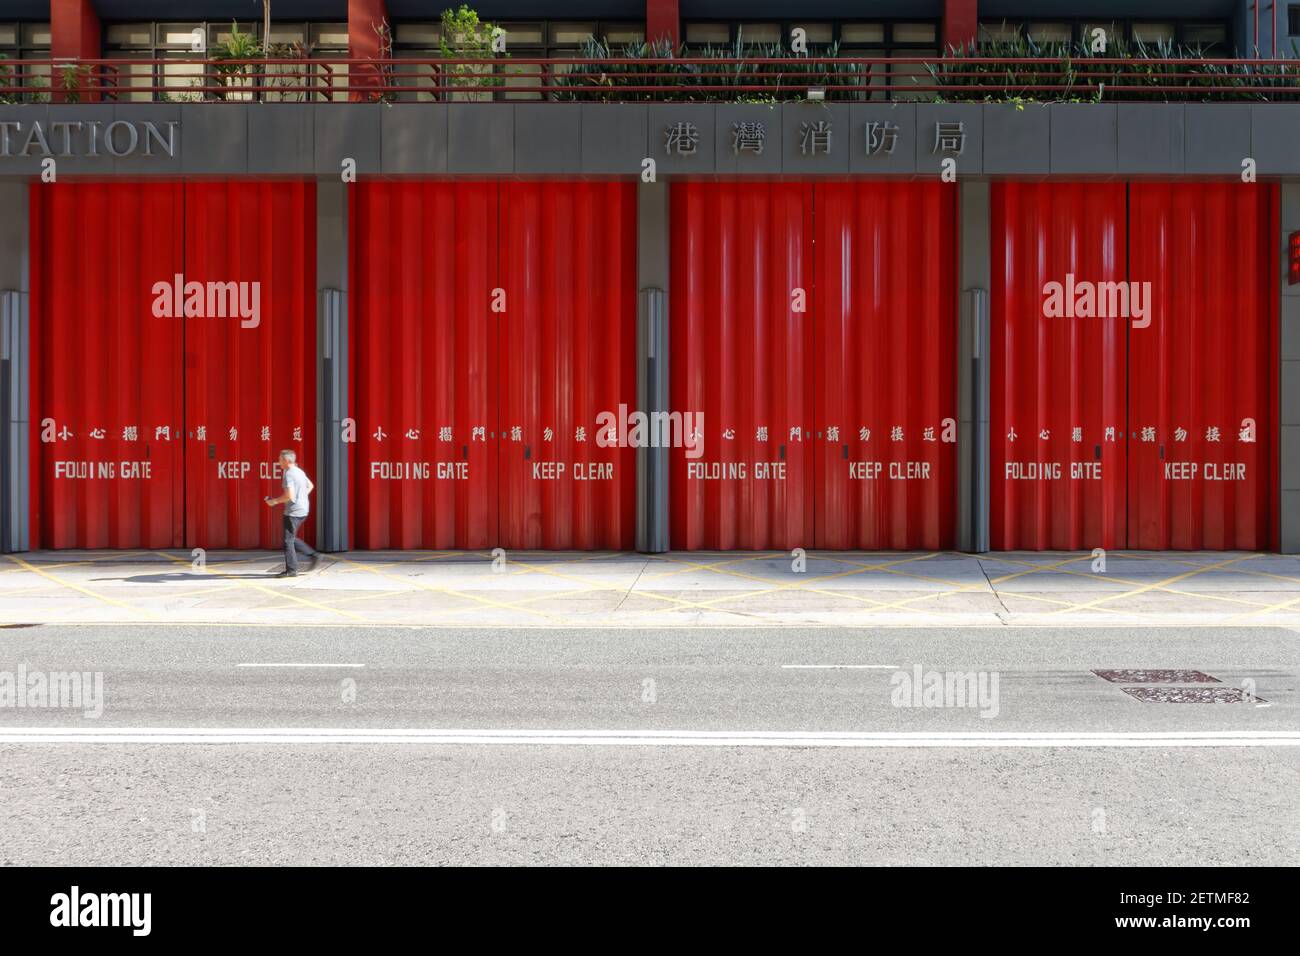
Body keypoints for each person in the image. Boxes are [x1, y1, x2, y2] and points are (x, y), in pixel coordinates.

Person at [263, 449, 320, 578]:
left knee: (288, 541)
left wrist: (274, 501)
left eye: (280, 460)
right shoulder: (299, 471)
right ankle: (314, 556)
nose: (278, 462)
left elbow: (289, 495)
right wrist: (301, 498)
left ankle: (292, 570)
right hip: (303, 509)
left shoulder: (288, 474)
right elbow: (310, 485)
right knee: (291, 538)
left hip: (293, 512)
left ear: (287, 461)